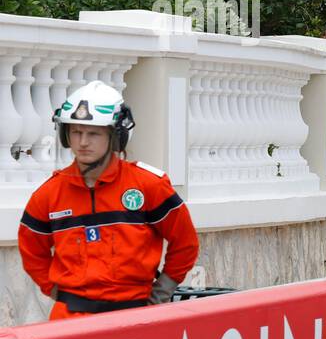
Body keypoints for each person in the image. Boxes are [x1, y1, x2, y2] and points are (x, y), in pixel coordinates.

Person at [19, 81, 199, 320]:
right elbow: (31, 250)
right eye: (76, 132)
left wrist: (161, 293)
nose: (82, 142)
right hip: (69, 319)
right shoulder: (48, 194)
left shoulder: (149, 186)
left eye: (93, 133)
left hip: (135, 317)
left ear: (116, 135)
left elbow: (185, 243)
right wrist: (53, 290)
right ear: (65, 135)